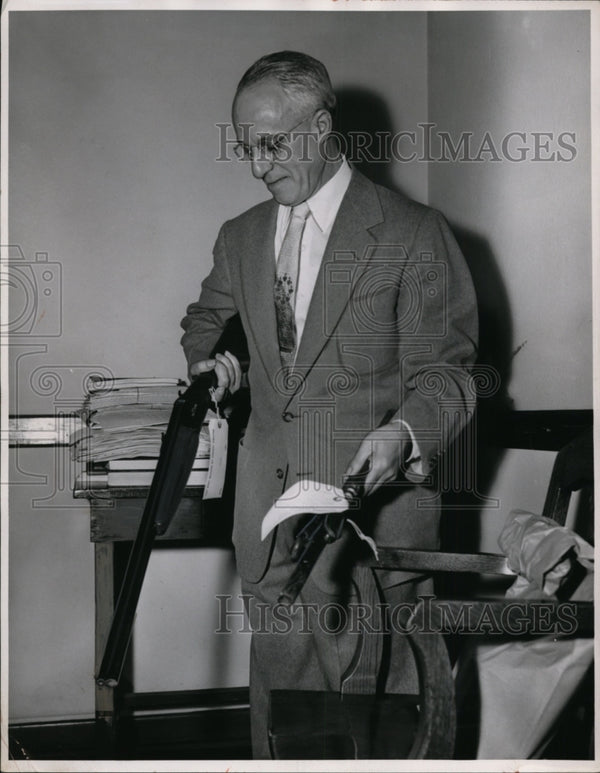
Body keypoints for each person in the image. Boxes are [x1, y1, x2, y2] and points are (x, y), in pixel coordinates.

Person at [181, 50, 478, 759]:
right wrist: (214, 363)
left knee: (384, 725)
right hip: (270, 517)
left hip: (373, 528)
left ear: (319, 129)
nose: (256, 164)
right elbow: (206, 319)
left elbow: (449, 374)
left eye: (271, 144)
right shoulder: (241, 236)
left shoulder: (412, 232)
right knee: (283, 724)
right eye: (246, 147)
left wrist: (405, 432)